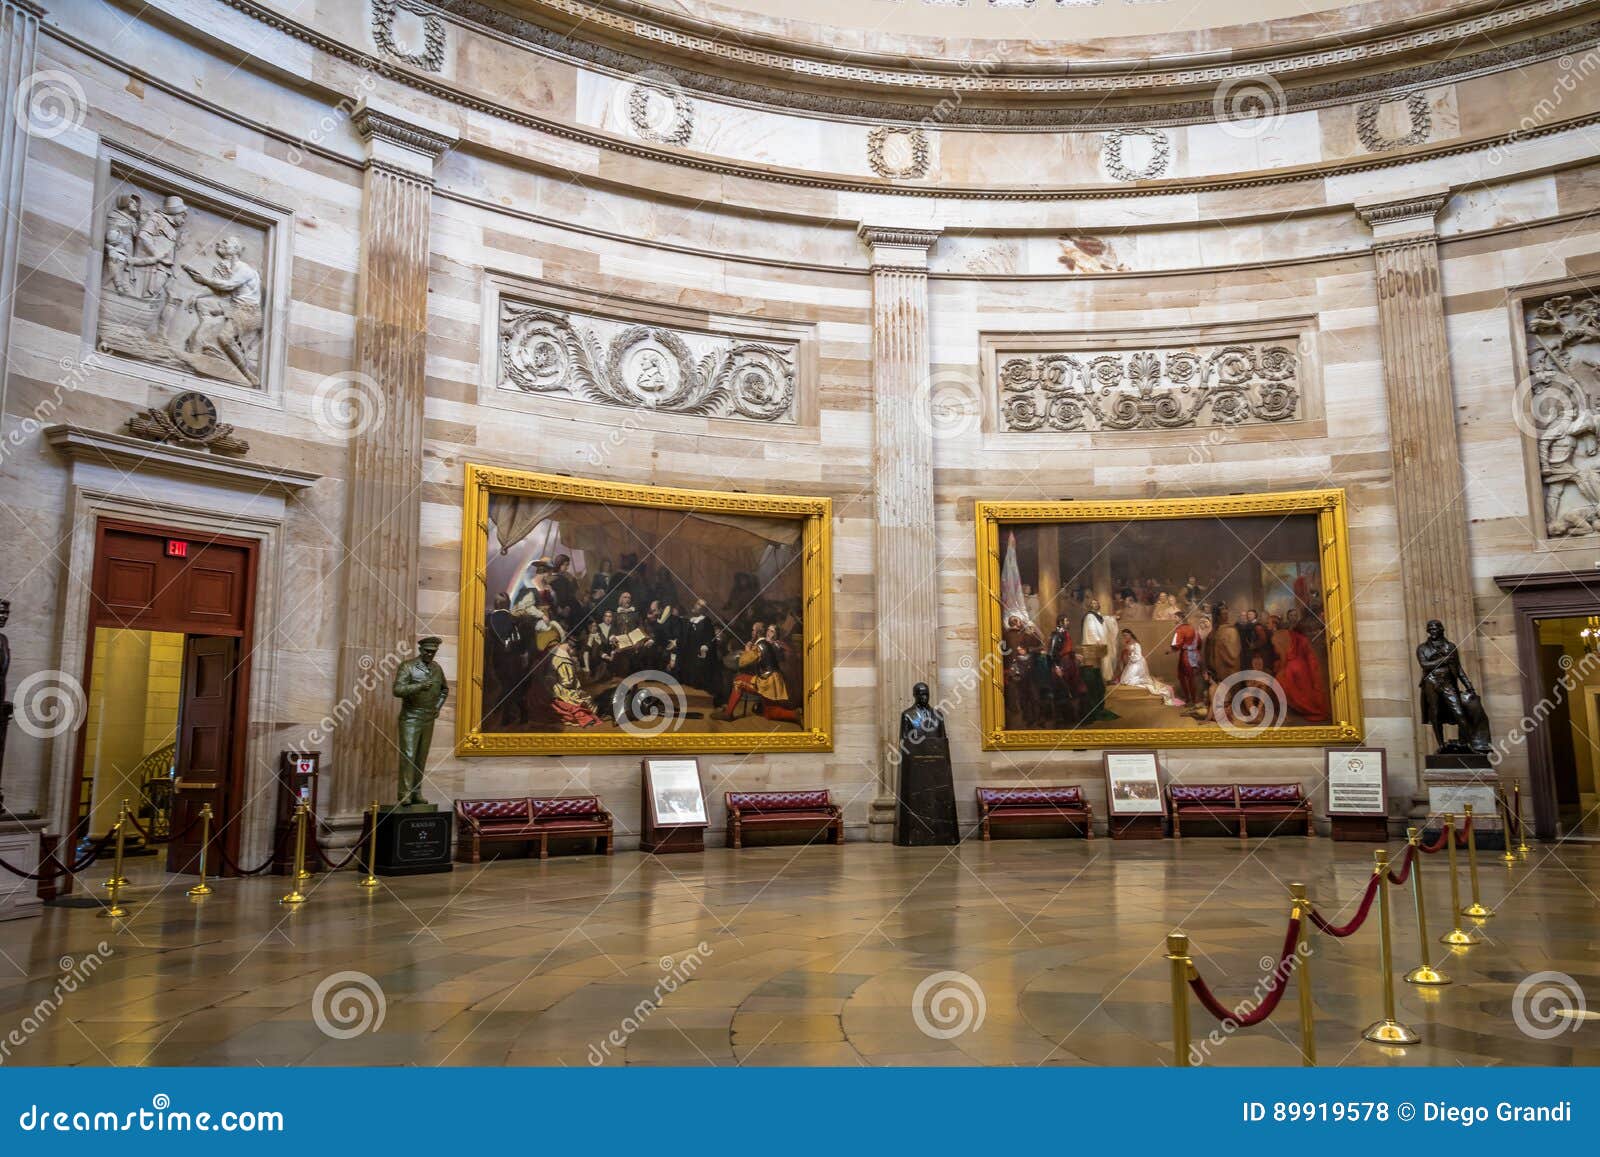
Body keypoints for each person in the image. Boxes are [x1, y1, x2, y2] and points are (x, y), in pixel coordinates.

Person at [181, 235, 262, 386]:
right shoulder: (229, 268)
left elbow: (227, 286)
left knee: (225, 338)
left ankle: (247, 374)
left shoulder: (243, 268)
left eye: (226, 242)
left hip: (248, 313)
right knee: (203, 304)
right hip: (234, 308)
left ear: (235, 250)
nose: (221, 243)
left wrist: (204, 280)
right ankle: (205, 341)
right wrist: (197, 294)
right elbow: (222, 292)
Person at [391, 637, 448, 806]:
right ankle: (405, 793)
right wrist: (418, 686)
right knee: (409, 755)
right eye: (427, 651)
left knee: (421, 757)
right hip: (410, 717)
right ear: (420, 649)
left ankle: (416, 792)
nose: (430, 654)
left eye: (433, 651)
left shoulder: (437, 669)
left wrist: (437, 707)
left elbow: (444, 690)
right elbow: (397, 690)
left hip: (428, 717)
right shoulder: (408, 666)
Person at [722, 622, 800, 724]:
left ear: (757, 633)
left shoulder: (763, 645)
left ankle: (728, 714)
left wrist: (747, 650)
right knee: (769, 712)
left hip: (768, 680)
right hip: (774, 680)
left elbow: (742, 662)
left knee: (738, 681)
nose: (752, 632)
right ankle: (795, 715)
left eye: (753, 630)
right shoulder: (766, 644)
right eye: (768, 630)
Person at [486, 593, 529, 726]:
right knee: (512, 686)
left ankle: (502, 711)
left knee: (507, 685)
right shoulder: (512, 618)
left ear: (496, 604)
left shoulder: (490, 618)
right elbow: (519, 639)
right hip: (512, 658)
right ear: (507, 604)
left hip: (497, 658)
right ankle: (514, 715)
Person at [1115, 628, 1179, 705]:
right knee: (1125, 680)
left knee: (1129, 680)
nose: (1125, 637)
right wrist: (1128, 654)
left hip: (1138, 662)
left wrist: (1130, 655)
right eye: (1123, 636)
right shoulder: (1128, 643)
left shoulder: (1136, 644)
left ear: (1130, 634)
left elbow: (1138, 656)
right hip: (1132, 662)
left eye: (1126, 635)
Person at [546, 640, 599, 728]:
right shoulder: (564, 661)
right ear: (570, 648)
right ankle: (585, 719)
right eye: (574, 652)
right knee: (582, 702)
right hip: (559, 689)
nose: (573, 654)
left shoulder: (553, 654)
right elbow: (567, 682)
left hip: (549, 686)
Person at [1046, 614, 1085, 727]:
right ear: (1061, 622)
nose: (1068, 622)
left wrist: (1075, 655)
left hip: (1068, 664)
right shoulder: (1056, 635)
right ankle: (1061, 720)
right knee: (1062, 692)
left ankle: (1070, 718)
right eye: (1067, 620)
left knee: (1071, 691)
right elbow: (1052, 653)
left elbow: (1066, 650)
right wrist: (1057, 667)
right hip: (1060, 665)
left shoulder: (1065, 633)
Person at [680, 599, 721, 700]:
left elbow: (711, 638)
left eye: (698, 605)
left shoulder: (706, 622)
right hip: (689, 651)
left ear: (703, 609)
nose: (695, 605)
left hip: (699, 652)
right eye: (696, 603)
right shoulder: (690, 620)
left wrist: (706, 646)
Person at [1169, 613, 1204, 707]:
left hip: (1186, 655)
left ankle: (1191, 700)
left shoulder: (1180, 629)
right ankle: (1192, 699)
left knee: (1184, 677)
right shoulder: (1193, 629)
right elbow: (1200, 643)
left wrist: (1171, 650)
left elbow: (1176, 644)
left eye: (1175, 617)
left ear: (1180, 618)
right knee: (1190, 677)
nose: (1174, 619)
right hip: (1195, 654)